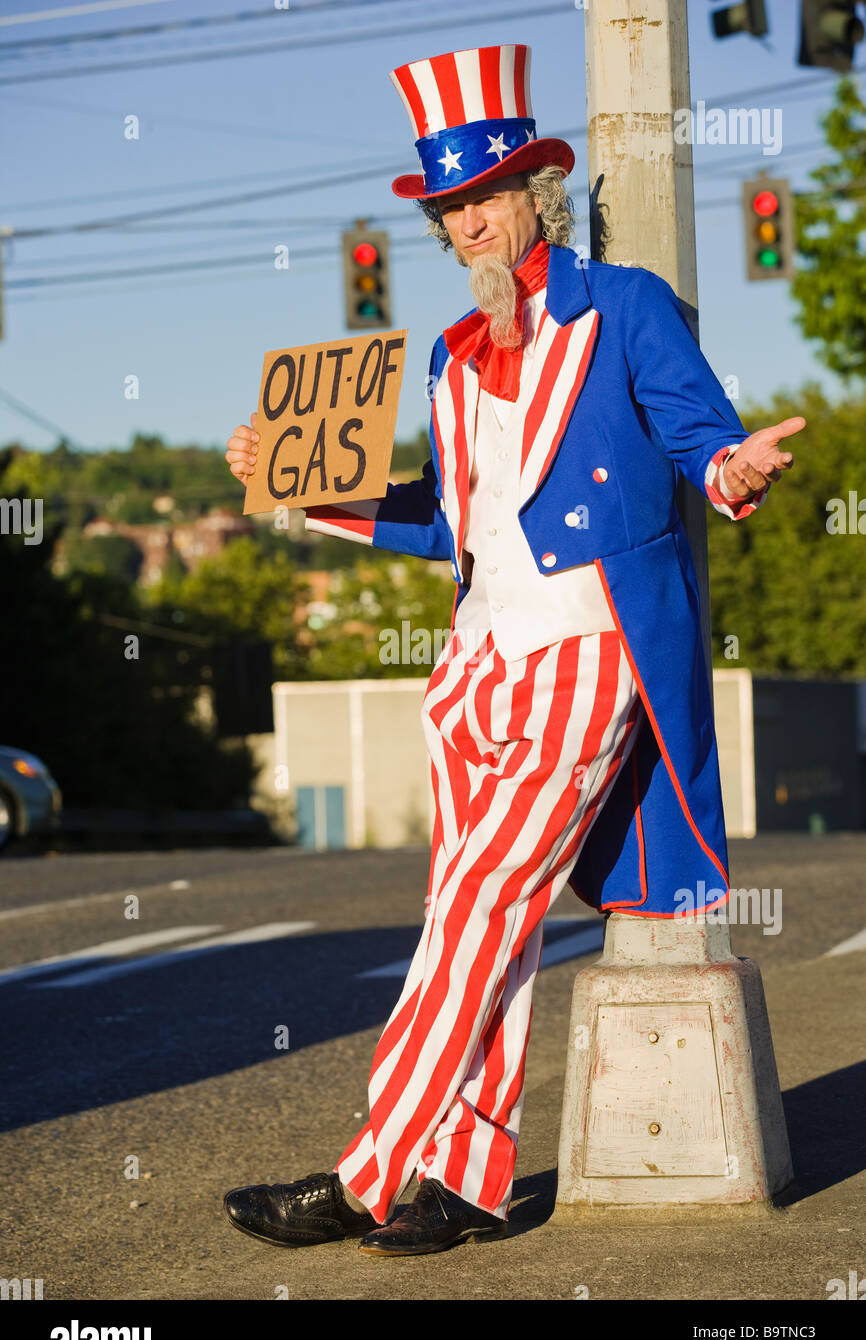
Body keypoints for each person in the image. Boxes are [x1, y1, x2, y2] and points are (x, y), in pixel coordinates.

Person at [222, 43, 804, 1258]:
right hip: (476, 663)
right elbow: (452, 517)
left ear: (536, 192)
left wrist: (730, 468)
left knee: (476, 910)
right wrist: (304, 489)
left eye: (484, 196)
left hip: (589, 649)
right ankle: (474, 1180)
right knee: (479, 922)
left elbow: (700, 433)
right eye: (447, 208)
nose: (467, 222)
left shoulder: (623, 304)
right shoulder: (442, 356)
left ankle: (369, 1173)